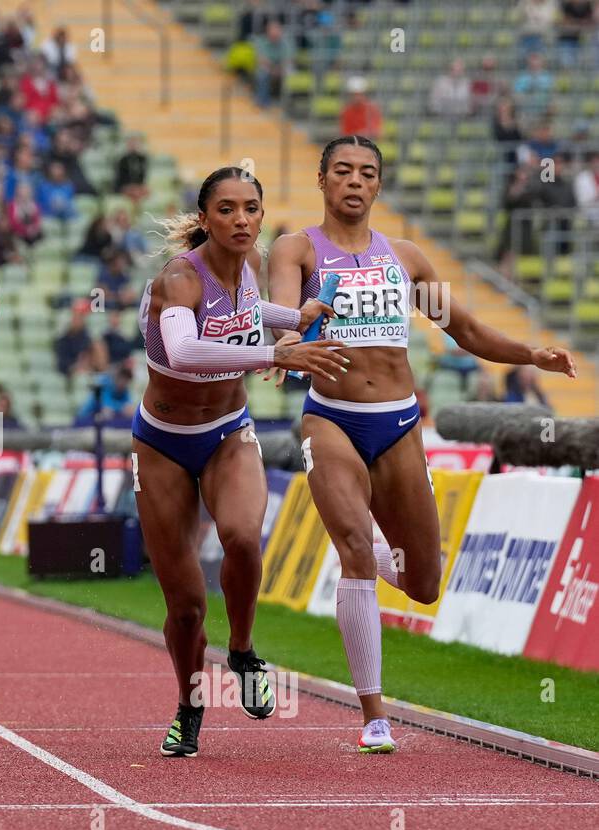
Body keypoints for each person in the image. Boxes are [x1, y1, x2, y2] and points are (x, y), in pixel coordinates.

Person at [268, 136, 576, 755]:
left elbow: (463, 330)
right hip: (330, 419)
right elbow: (277, 316)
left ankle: (372, 548)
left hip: (399, 423)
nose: (355, 182)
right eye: (343, 171)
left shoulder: (404, 260)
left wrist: (530, 354)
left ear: (378, 186)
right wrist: (299, 319)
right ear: (323, 180)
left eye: (368, 173)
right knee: (353, 549)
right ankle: (374, 715)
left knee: (423, 583)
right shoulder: (296, 248)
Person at [135, 166, 343, 758]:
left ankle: (245, 651)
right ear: (205, 220)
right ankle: (188, 704)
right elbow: (184, 349)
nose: (241, 220)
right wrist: (271, 352)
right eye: (226, 210)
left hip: (229, 432)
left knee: (244, 538)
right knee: (186, 605)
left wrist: (297, 317)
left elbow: (251, 312)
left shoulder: (248, 269)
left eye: (251, 208)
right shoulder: (180, 279)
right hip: (163, 443)